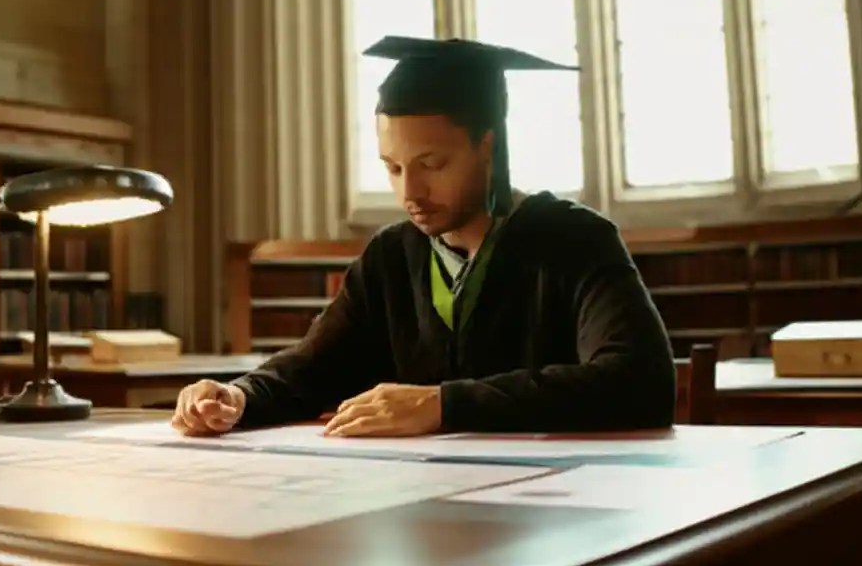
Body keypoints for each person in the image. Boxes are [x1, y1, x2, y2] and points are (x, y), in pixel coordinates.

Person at [172, 35, 676, 438]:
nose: (409, 191)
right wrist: (239, 397)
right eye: (392, 167)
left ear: (488, 146)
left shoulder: (574, 240)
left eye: (431, 164)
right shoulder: (393, 256)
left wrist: (443, 404)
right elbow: (311, 368)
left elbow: (639, 381)